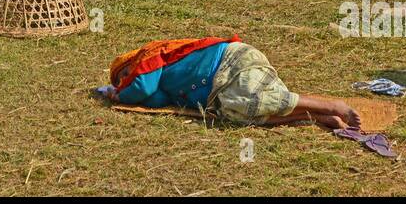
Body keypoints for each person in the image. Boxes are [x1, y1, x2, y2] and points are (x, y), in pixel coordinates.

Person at [99, 37, 361, 129]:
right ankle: (315, 117)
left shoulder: (150, 57)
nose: (124, 82)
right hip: (221, 91)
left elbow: (142, 87)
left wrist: (118, 95)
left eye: (123, 76)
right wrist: (126, 94)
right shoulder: (160, 82)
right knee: (239, 113)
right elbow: (154, 98)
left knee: (249, 98)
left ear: (129, 65)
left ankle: (332, 106)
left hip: (232, 63)